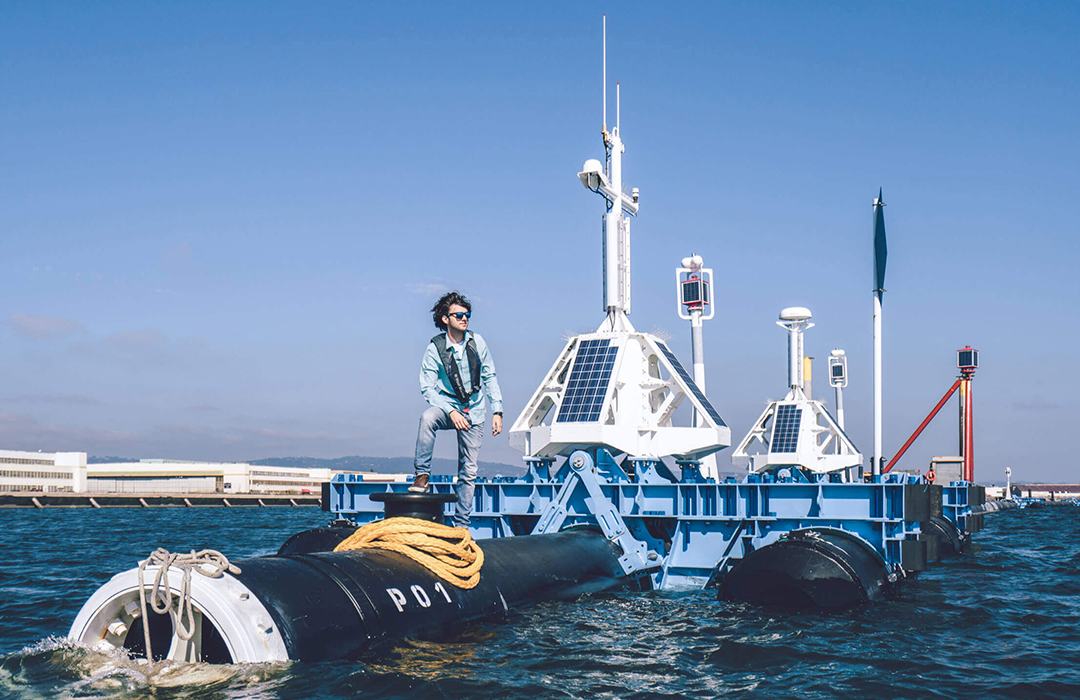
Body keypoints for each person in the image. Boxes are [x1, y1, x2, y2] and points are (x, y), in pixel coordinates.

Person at [409, 291, 503, 528]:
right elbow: (427, 389)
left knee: (468, 471)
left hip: (474, 411)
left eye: (467, 314)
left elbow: (489, 376)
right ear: (445, 319)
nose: (464, 318)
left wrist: (498, 411)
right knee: (427, 417)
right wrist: (451, 411)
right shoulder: (435, 349)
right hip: (447, 407)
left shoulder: (477, 342)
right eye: (459, 314)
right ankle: (422, 475)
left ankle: (461, 525)